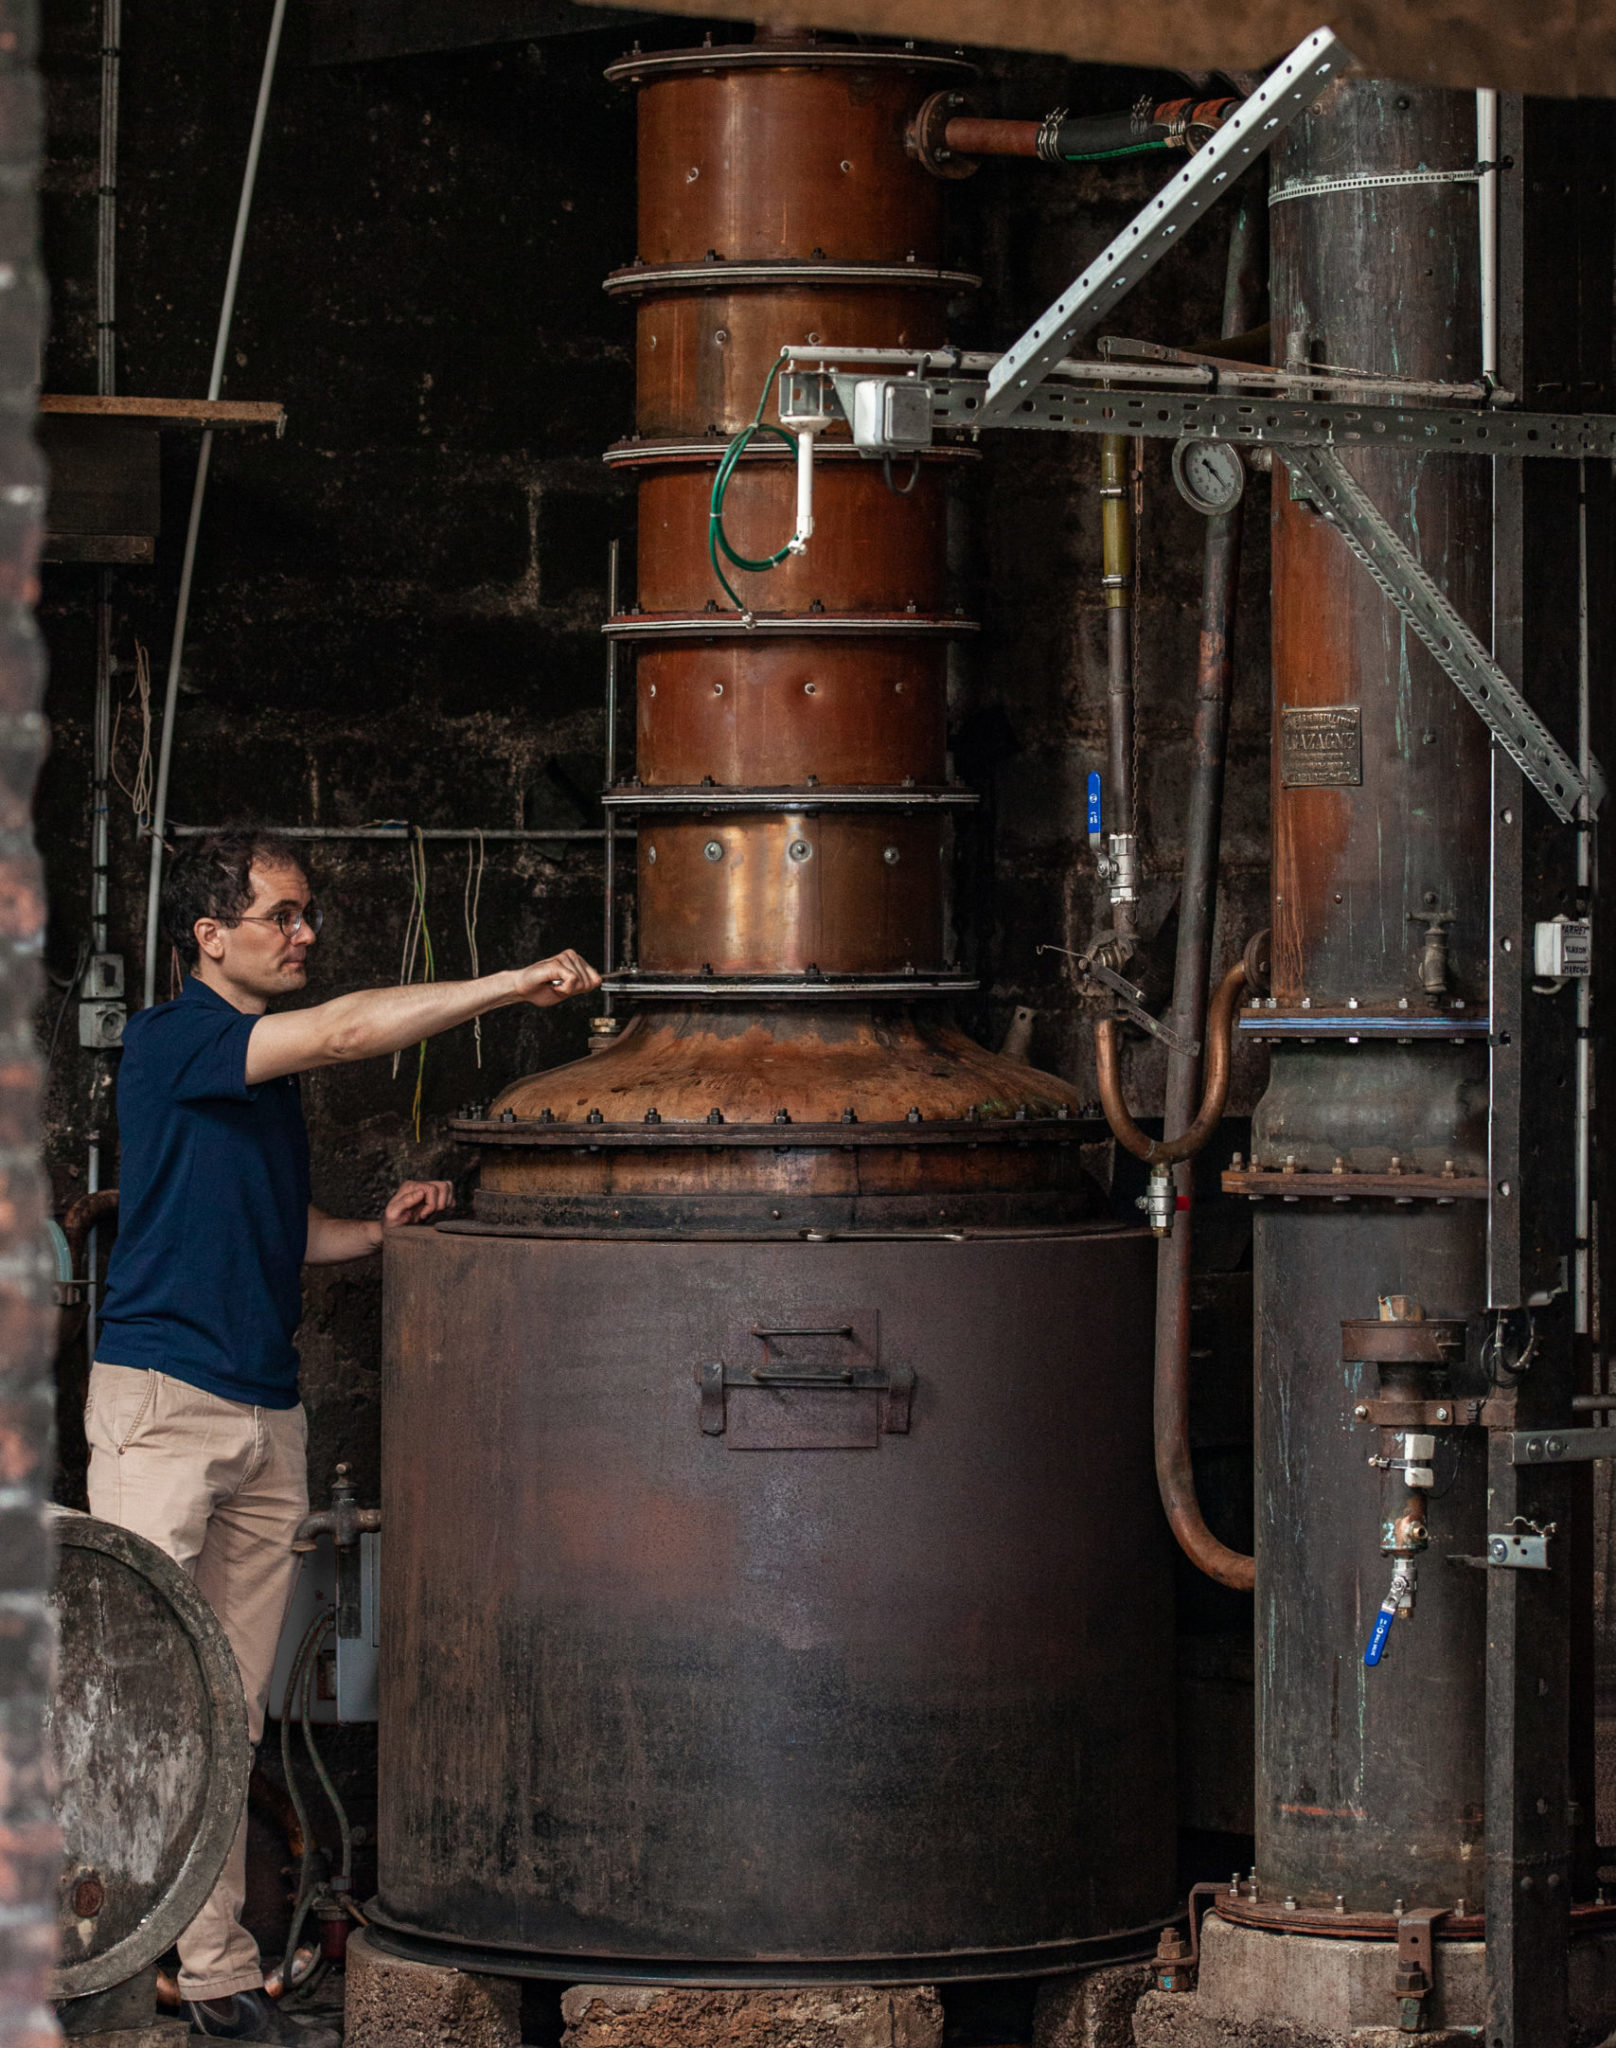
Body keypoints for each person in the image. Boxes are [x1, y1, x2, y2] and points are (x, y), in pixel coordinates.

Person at [84, 830, 600, 2046]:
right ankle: (73, 1973)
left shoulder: (254, 1079)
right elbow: (347, 1027)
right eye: (283, 914)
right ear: (211, 935)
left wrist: (374, 1229)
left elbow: (280, 1232)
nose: (303, 933)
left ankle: (212, 1977)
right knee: (129, 1701)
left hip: (267, 1411)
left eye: (306, 916)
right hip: (164, 1404)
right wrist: (510, 983)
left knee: (226, 1714)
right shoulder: (179, 1039)